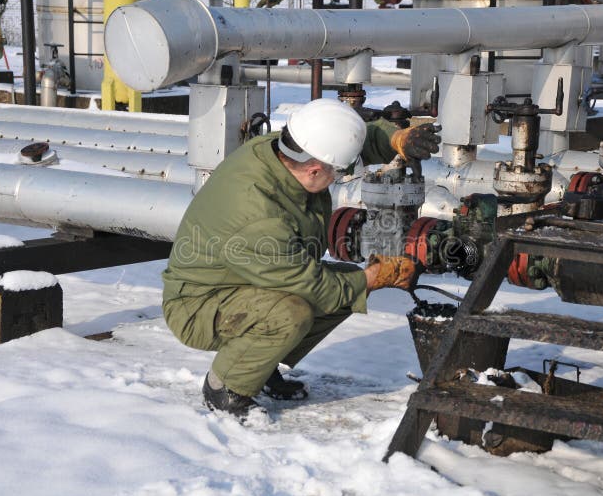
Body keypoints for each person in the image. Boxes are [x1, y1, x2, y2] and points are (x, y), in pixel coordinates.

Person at [162, 98, 441, 419]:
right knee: (298, 308)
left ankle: (258, 365)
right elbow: (308, 284)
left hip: (242, 281)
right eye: (335, 173)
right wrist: (376, 276)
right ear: (314, 170)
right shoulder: (257, 211)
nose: (338, 176)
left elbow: (348, 142)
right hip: (197, 305)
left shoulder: (287, 149)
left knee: (342, 287)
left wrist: (395, 140)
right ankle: (225, 387)